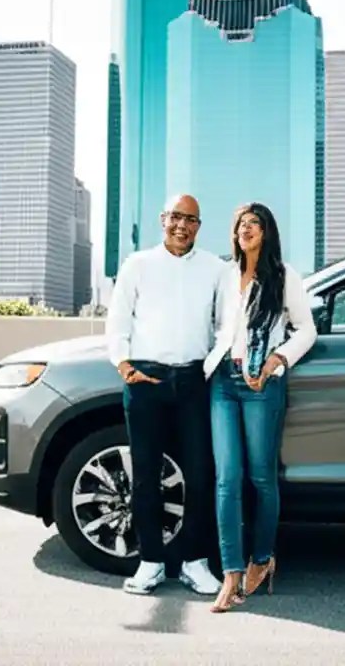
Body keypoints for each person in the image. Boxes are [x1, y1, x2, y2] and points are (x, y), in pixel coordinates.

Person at [106, 194, 228, 596]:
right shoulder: (137, 265)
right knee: (145, 476)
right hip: (146, 380)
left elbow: (224, 325)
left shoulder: (215, 268)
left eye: (190, 219)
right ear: (163, 220)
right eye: (176, 217)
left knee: (200, 473)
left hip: (195, 379)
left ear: (199, 226)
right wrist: (125, 368)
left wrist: (208, 367)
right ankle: (151, 563)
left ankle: (195, 562)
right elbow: (118, 322)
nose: (182, 225)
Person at [201, 202, 317, 612]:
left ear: (266, 232)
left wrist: (277, 359)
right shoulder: (224, 274)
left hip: (262, 384)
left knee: (261, 478)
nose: (246, 229)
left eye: (254, 223)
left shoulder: (284, 276)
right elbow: (216, 327)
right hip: (223, 381)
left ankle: (263, 558)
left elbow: (306, 329)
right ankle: (231, 573)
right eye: (241, 224)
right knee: (227, 478)